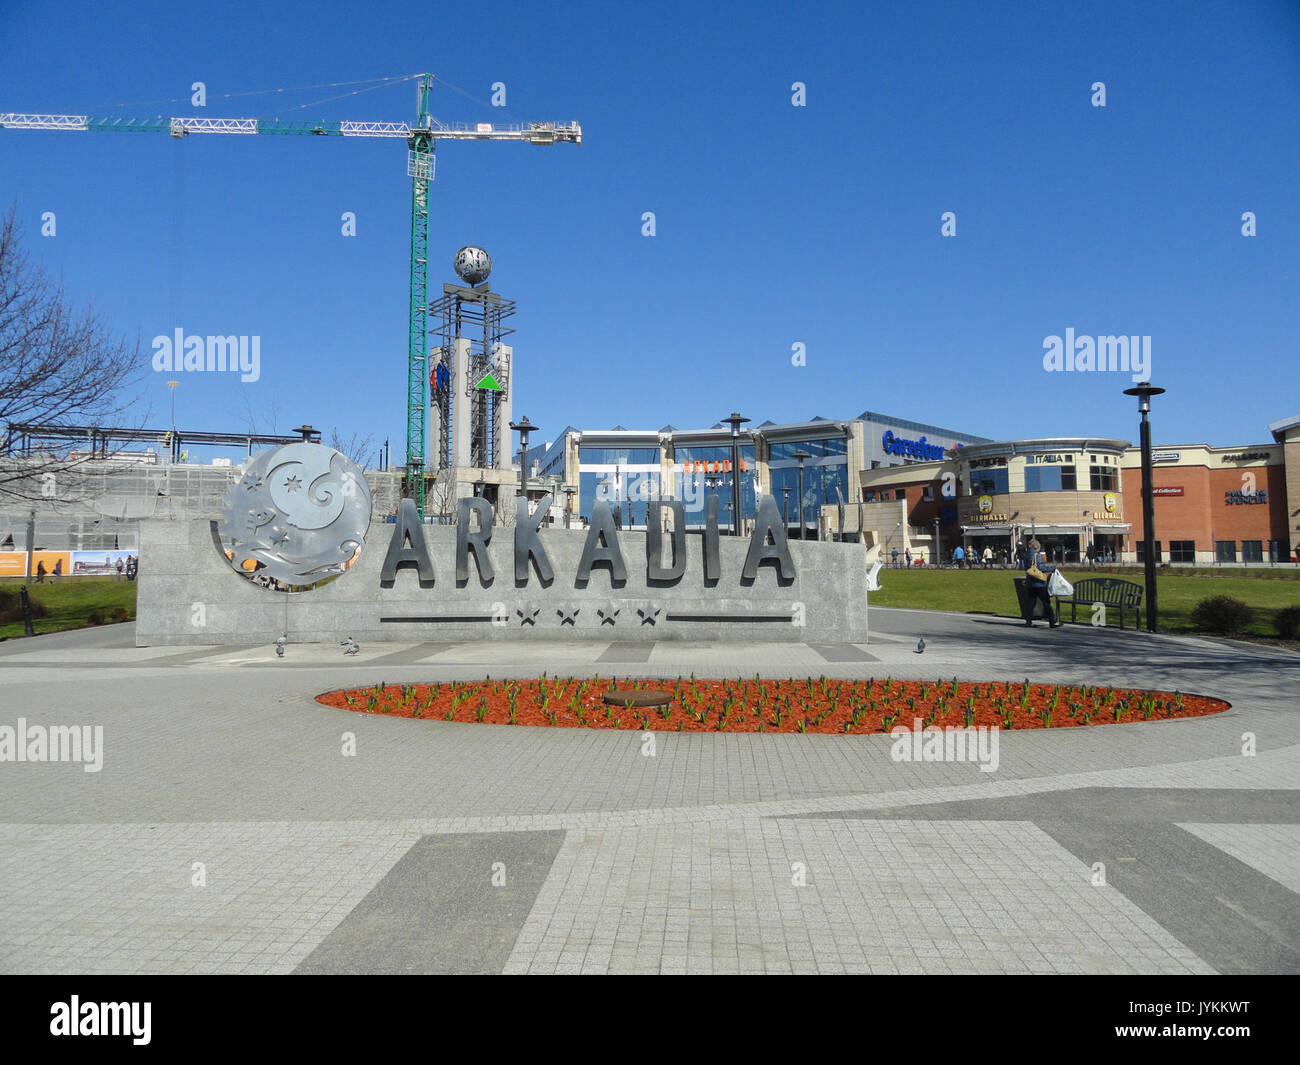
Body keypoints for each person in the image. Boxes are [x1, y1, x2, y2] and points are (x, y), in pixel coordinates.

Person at [1022, 538, 1060, 628]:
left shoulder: (1026, 555)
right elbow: (1041, 567)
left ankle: (1028, 621)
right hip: (1039, 583)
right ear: (1037, 547)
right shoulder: (1037, 555)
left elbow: (1024, 567)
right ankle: (1052, 621)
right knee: (1046, 602)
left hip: (1030, 582)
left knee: (1031, 602)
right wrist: (1053, 568)